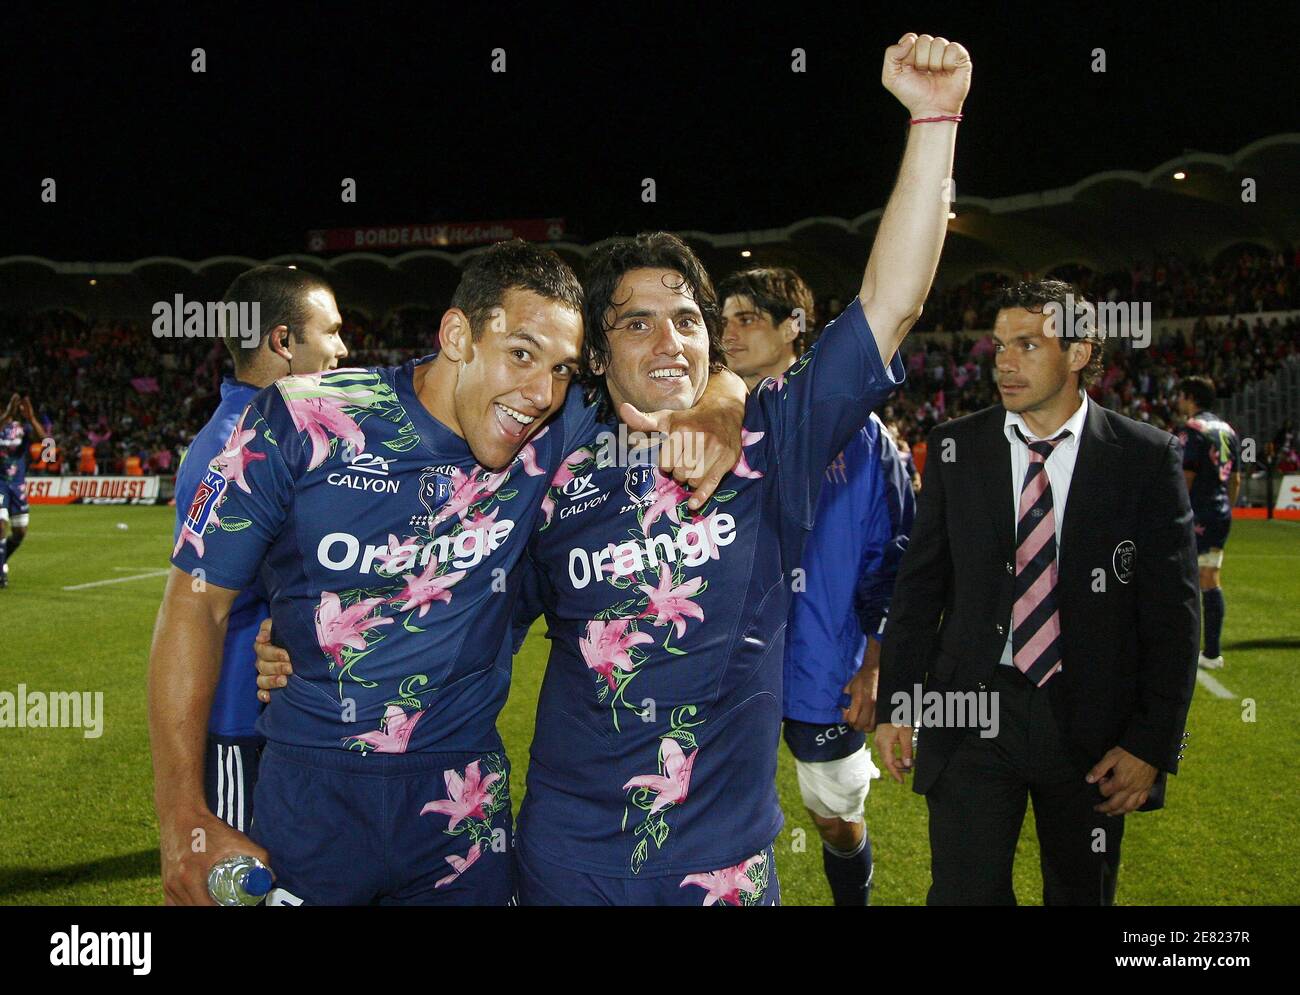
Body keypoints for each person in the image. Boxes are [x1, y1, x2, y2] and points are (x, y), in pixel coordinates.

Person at [151, 239, 745, 906]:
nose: (539, 392)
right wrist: (180, 816)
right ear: (458, 334)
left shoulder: (555, 424)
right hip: (310, 789)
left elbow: (679, 372)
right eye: (520, 352)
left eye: (560, 368)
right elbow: (197, 604)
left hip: (463, 804)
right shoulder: (298, 418)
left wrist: (721, 402)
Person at [874, 280, 1200, 906]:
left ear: (1079, 354)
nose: (1004, 361)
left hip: (1092, 727)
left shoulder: (1144, 457)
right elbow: (920, 588)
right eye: (999, 345)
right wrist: (899, 702)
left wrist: (1150, 743)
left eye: (1027, 344)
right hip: (970, 713)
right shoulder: (954, 447)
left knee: (1081, 894)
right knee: (963, 894)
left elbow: (1173, 617)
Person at [720, 267, 916, 905]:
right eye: (722, 319)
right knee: (709, 815)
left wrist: (877, 668)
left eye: (747, 318)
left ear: (793, 328)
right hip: (720, 668)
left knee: (832, 818)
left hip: (822, 664)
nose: (729, 332)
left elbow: (894, 557)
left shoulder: (861, 437)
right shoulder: (699, 426)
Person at [171, 265, 350, 833]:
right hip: (245, 719)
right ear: (282, 341)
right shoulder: (238, 448)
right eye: (332, 332)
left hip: (288, 713)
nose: (343, 350)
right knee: (245, 878)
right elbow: (201, 606)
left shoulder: (274, 431)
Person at [1175, 375, 1241, 670]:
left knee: (1183, 580)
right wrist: (1226, 508)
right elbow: (1236, 479)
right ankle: (1212, 652)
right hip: (1220, 512)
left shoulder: (1192, 430)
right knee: (1211, 577)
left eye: (1180, 396)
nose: (1177, 401)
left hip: (1196, 512)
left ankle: (1185, 648)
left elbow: (1186, 476)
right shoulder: (1229, 431)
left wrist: (1177, 511)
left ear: (1190, 397)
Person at [0, 393, 47, 588]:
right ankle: (1, 574)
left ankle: (1, 561)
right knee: (1, 526)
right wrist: (8, 414)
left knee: (19, 532)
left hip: (17, 485)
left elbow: (48, 445)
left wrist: (32, 418)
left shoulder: (21, 429)